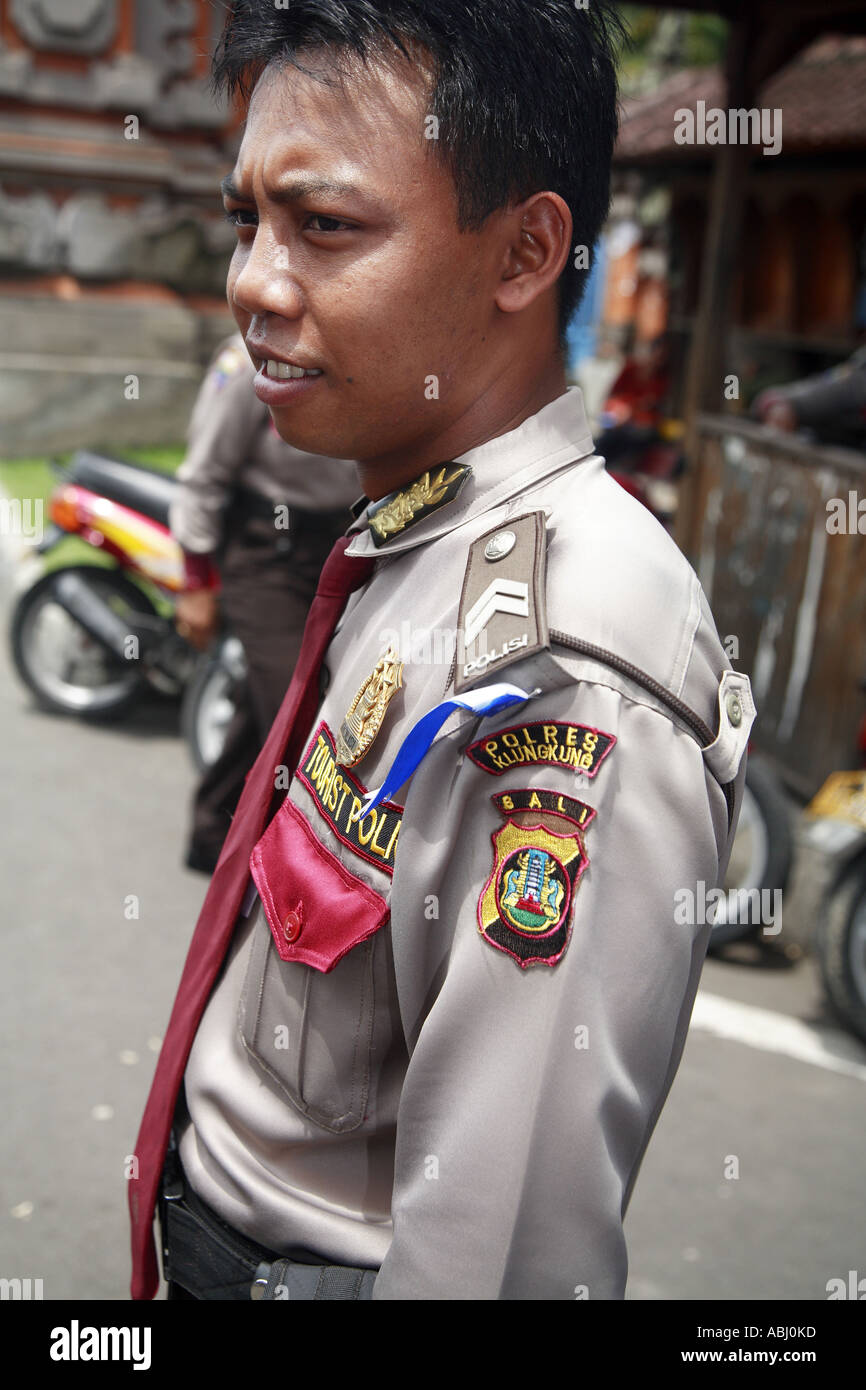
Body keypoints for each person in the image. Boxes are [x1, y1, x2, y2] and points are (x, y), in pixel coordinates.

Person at [129, 0, 754, 1301]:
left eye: (326, 225)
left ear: (524, 251)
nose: (252, 277)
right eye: (249, 218)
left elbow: (499, 1254)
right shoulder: (417, 533)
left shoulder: (567, 653)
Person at [169, 331, 359, 870]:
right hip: (263, 552)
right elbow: (202, 476)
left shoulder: (365, 348)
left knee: (268, 709)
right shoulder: (249, 357)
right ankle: (299, 869)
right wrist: (195, 584)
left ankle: (214, 832)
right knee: (296, 711)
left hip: (335, 548)